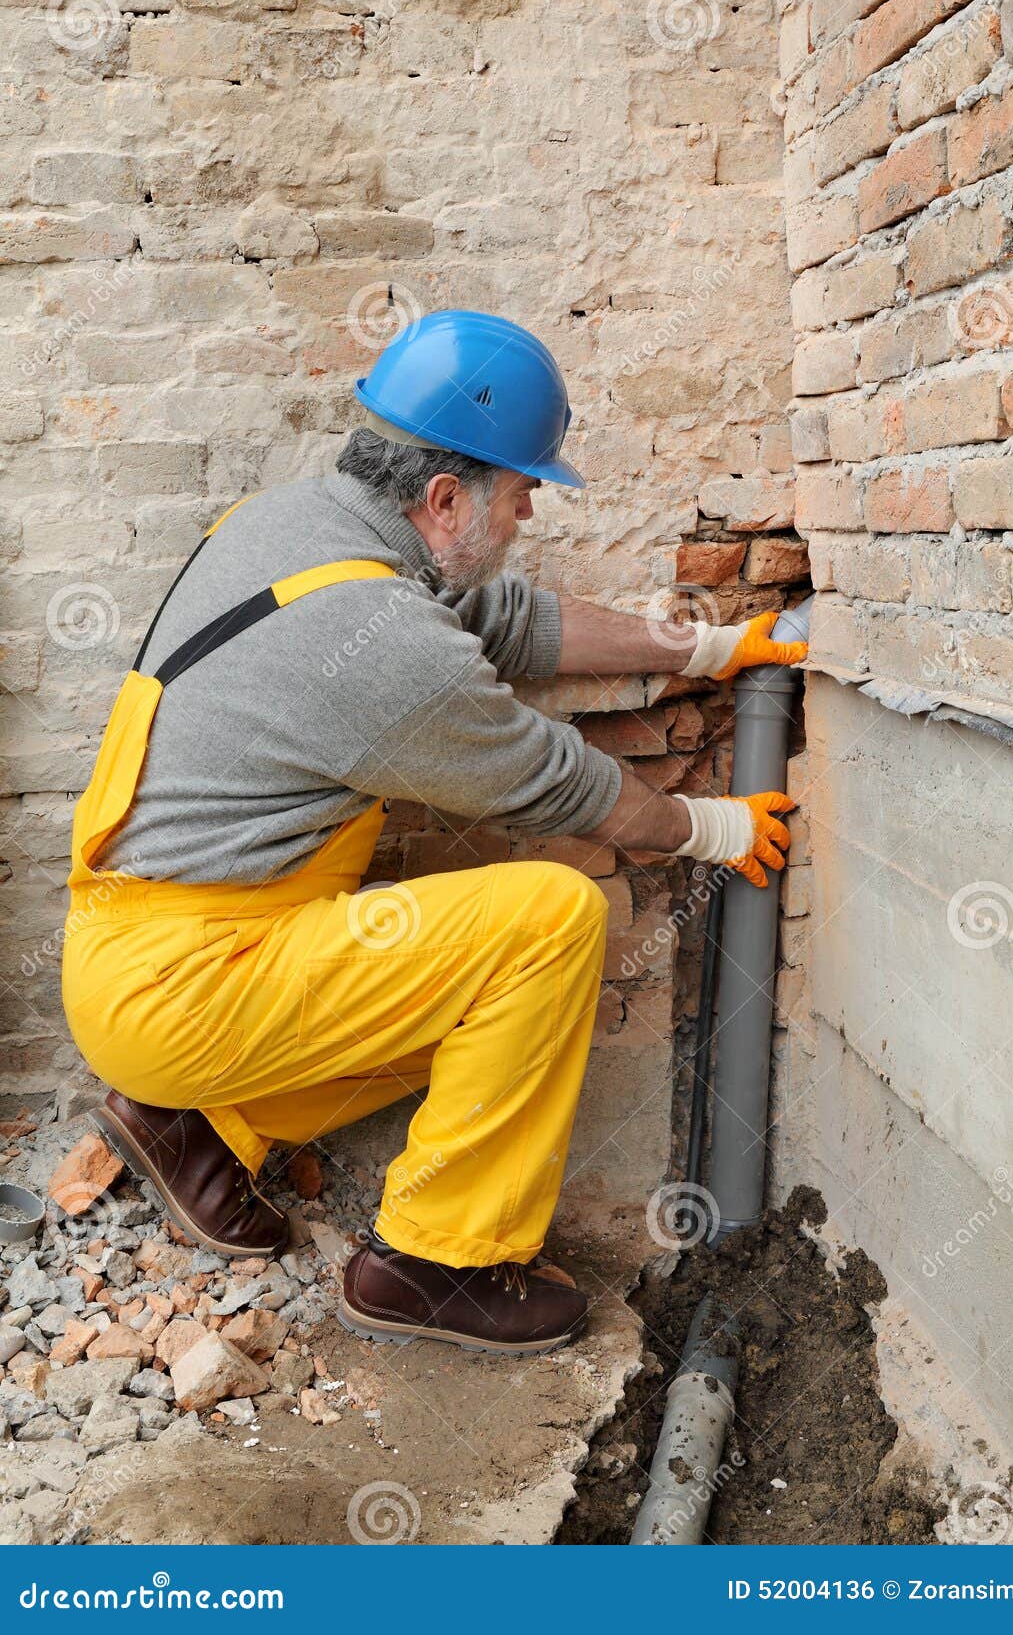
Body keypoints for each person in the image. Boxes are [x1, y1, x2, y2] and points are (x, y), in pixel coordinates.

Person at [62, 310, 801, 1356]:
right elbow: (555, 784)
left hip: (159, 954)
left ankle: (200, 1128)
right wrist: (709, 826)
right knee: (545, 924)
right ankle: (431, 1261)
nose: (534, 504)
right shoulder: (376, 645)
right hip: (184, 982)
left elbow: (509, 621)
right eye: (522, 486)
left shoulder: (302, 528)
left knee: (467, 1000)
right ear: (444, 498)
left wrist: (706, 642)